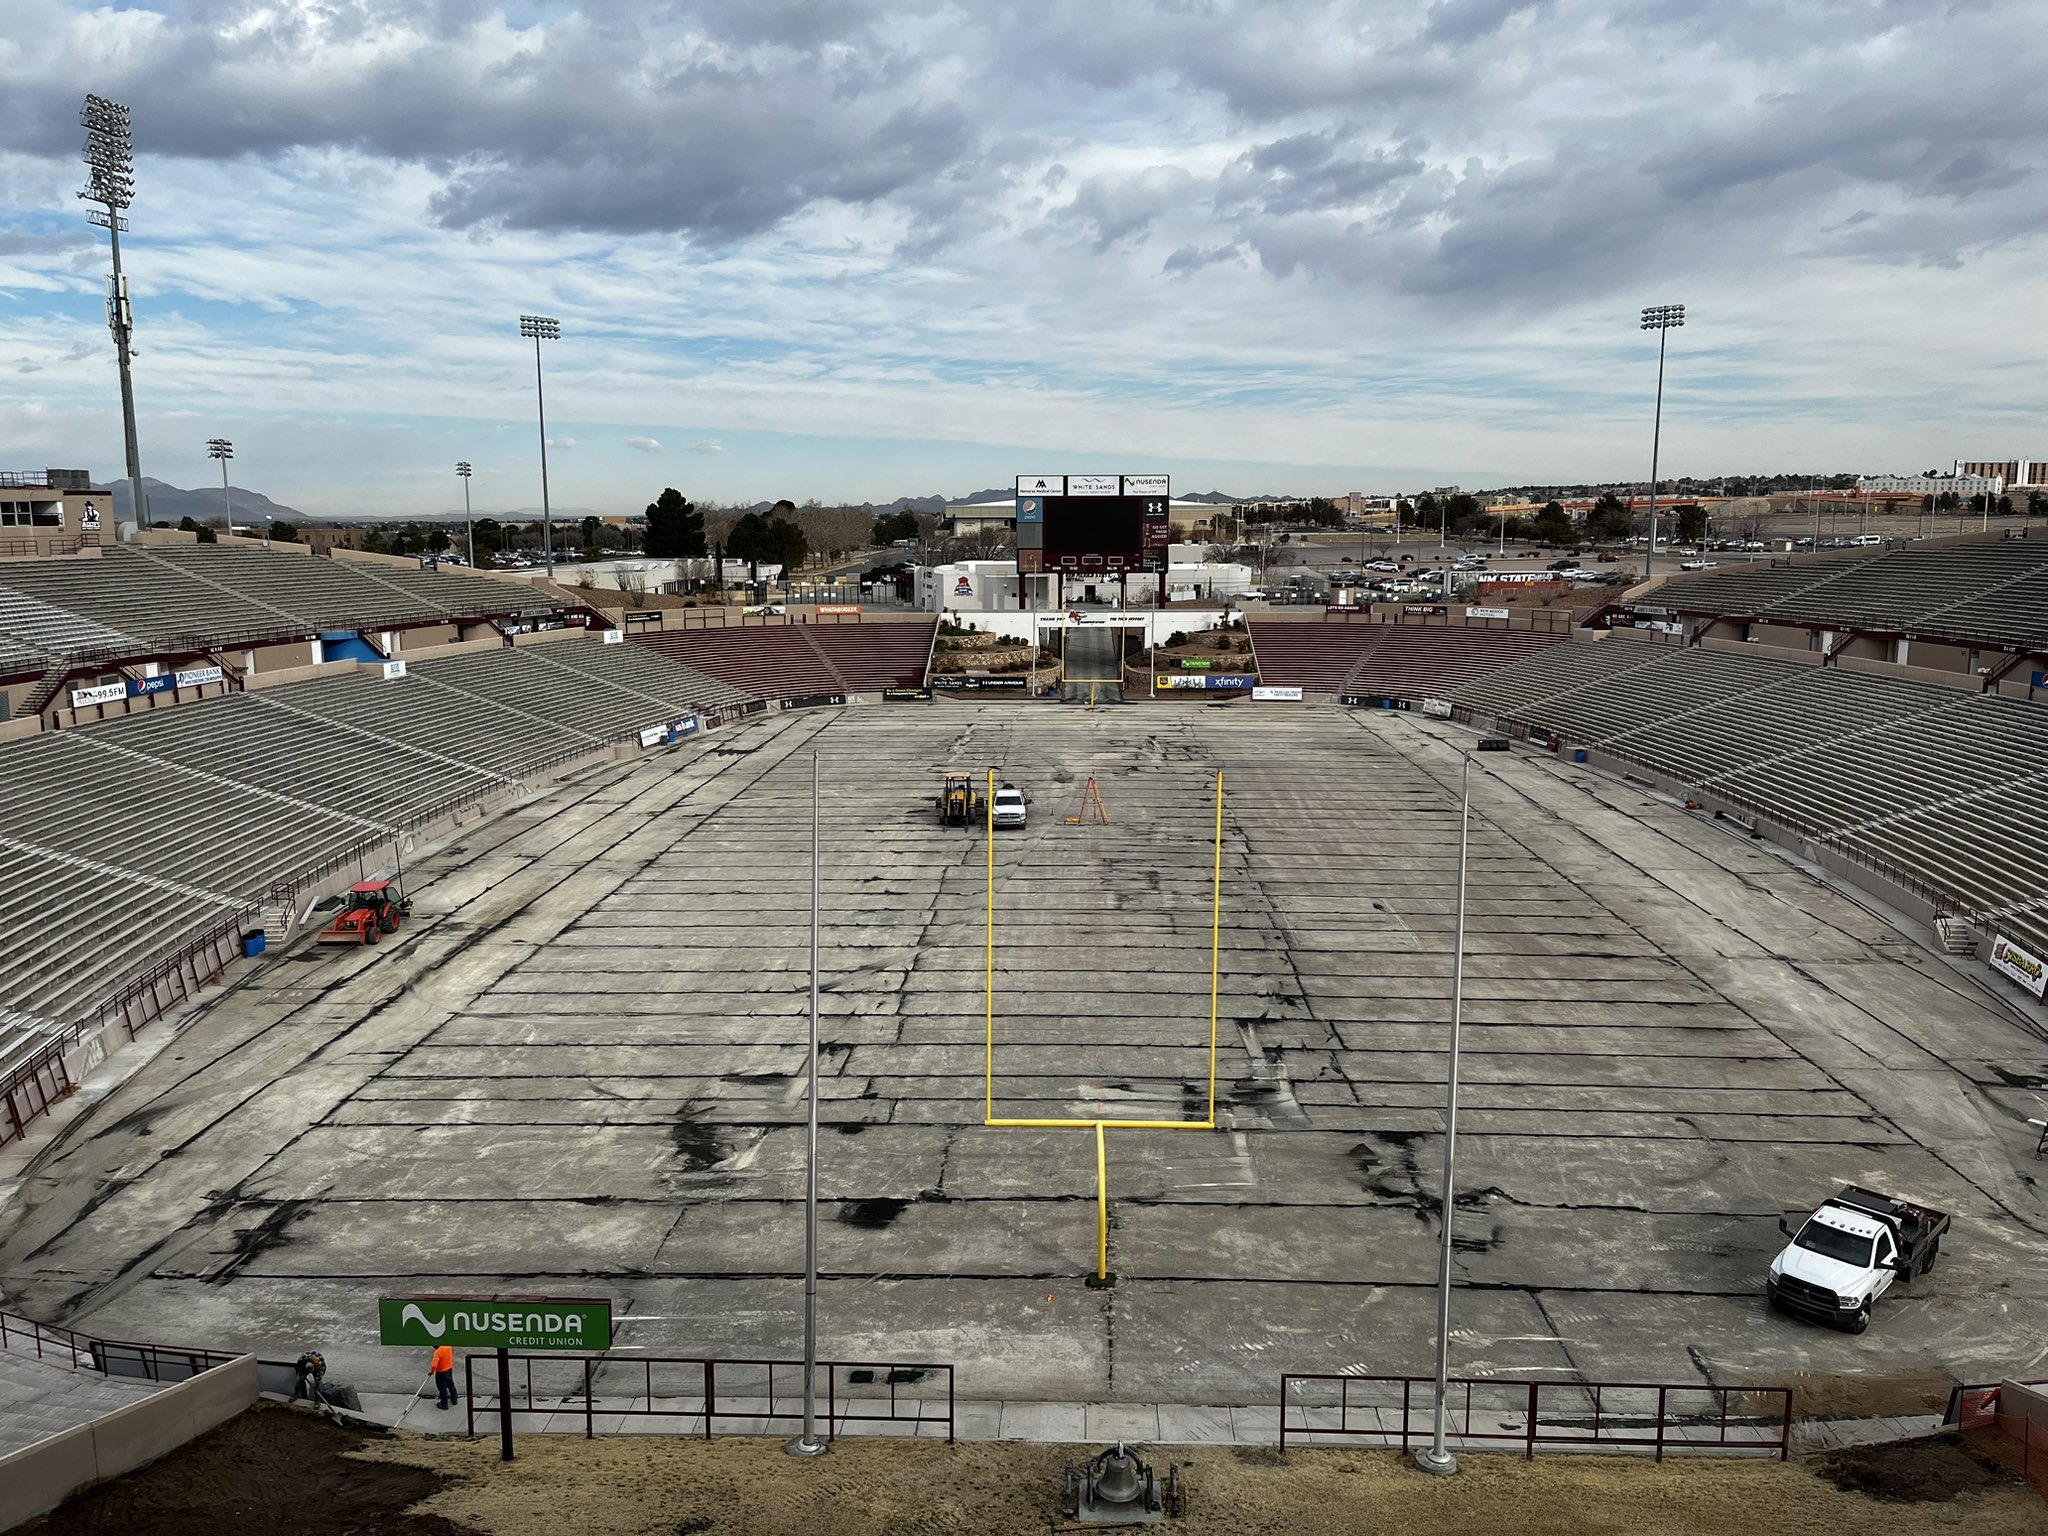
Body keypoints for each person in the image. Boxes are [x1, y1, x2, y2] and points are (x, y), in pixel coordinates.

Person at [432, 1343, 457, 1409]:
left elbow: (434, 1365)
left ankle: (444, 1404)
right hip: (449, 1369)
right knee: (451, 1384)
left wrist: (432, 1371)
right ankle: (454, 1399)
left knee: (442, 1388)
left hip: (441, 1372)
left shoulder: (437, 1352)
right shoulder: (448, 1347)